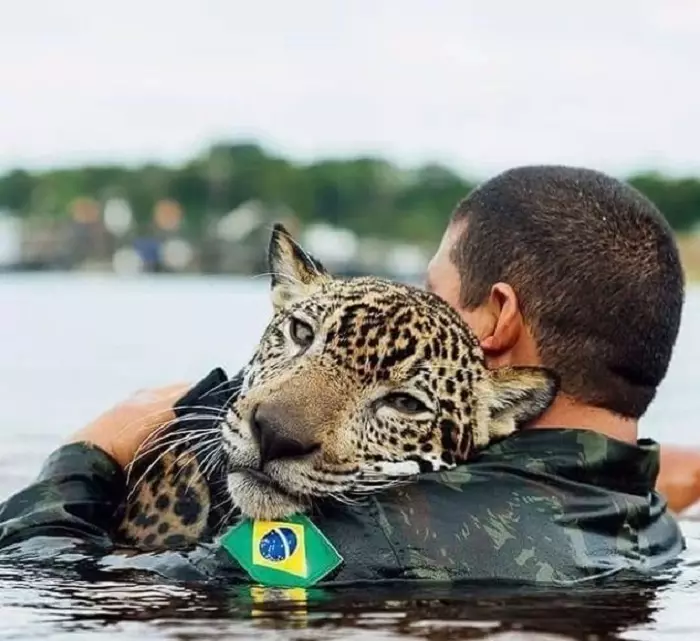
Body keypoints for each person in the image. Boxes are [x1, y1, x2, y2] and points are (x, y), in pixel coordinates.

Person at [0, 165, 694, 586]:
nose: (405, 306)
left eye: (431, 289)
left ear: (495, 320)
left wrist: (93, 450)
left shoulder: (371, 540)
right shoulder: (646, 521)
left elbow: (54, 583)